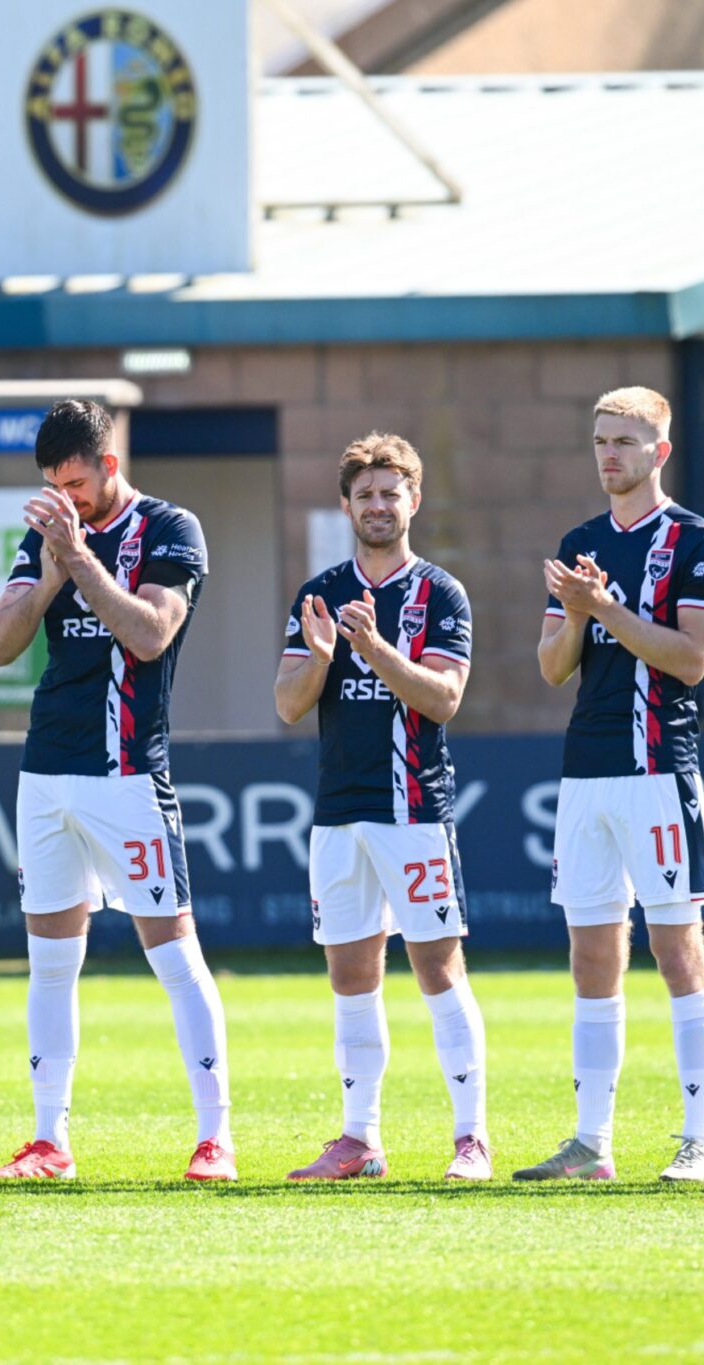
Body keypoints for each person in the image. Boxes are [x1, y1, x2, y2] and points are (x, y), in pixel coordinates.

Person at [0, 399, 233, 1181]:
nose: (68, 499)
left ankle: (214, 1138)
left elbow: (151, 633)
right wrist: (53, 566)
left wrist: (80, 560)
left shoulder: (169, 529)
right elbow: (0, 644)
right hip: (46, 767)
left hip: (126, 771)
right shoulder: (49, 534)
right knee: (50, 961)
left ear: (109, 465)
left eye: (79, 482)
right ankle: (49, 1140)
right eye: (54, 486)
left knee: (174, 956)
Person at [516, 387, 704, 1182]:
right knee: (592, 951)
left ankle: (698, 1139)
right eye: (601, 441)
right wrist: (576, 613)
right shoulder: (579, 541)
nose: (610, 455)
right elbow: (550, 667)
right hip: (588, 773)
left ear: (659, 451)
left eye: (626, 443)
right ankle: (591, 1142)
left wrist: (602, 605)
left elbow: (692, 658)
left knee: (678, 946)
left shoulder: (697, 542)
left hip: (659, 770)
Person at [275, 433, 488, 1181]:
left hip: (413, 809)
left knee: (436, 964)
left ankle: (472, 1138)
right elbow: (288, 703)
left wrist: (376, 650)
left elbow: (445, 698)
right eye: (364, 494)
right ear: (346, 505)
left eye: (389, 492)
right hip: (339, 812)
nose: (377, 505)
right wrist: (327, 656)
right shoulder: (319, 593)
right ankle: (360, 1138)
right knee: (351, 972)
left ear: (413, 501)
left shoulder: (441, 593)